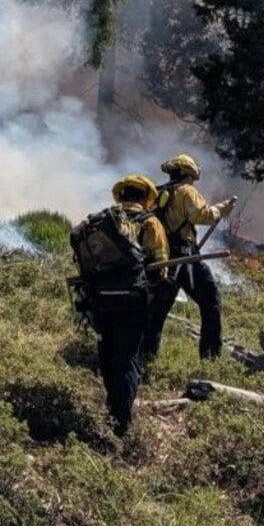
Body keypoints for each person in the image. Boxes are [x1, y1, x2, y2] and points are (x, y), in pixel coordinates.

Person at [71, 174, 169, 436]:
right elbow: (161, 269)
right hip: (132, 302)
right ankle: (122, 428)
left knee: (107, 355)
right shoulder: (150, 223)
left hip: (100, 301)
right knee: (127, 360)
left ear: (122, 195)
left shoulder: (102, 222)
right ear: (145, 197)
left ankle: (113, 411)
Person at [143, 154, 236, 361]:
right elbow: (203, 215)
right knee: (210, 299)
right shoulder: (187, 191)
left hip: (162, 257)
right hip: (185, 258)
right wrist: (222, 209)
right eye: (192, 177)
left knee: (157, 309)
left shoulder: (158, 193)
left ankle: (145, 356)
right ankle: (210, 357)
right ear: (188, 175)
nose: (192, 181)